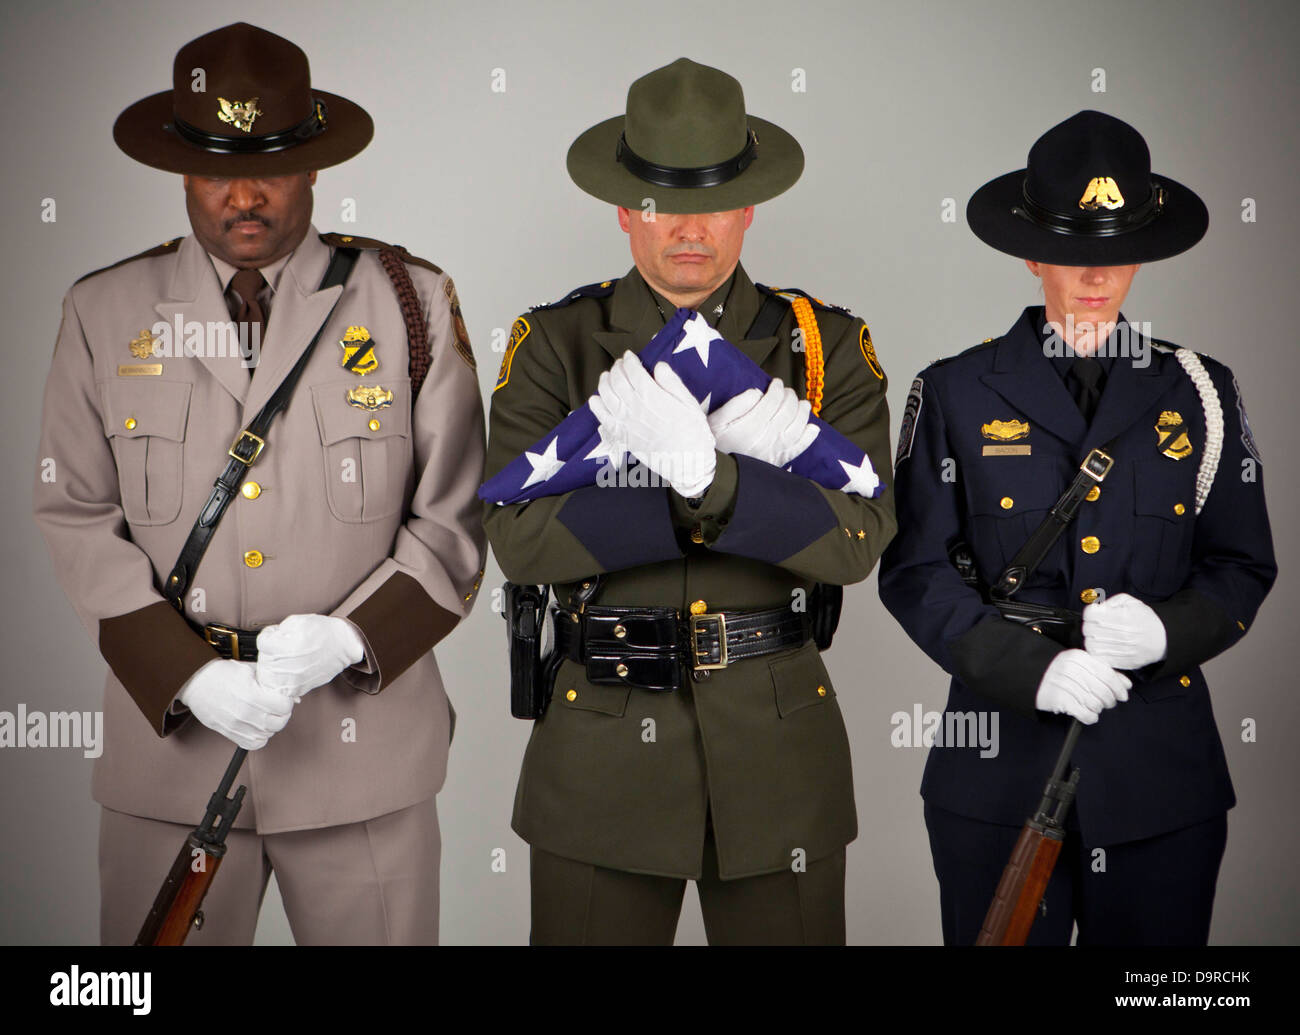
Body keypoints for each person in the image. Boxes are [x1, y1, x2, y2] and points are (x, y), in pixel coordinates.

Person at [32, 22, 486, 945]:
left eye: (270, 167)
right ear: (179, 171)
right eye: (213, 170)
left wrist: (351, 636)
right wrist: (184, 674)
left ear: (314, 166)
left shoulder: (410, 301)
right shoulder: (105, 311)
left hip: (364, 761)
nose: (243, 195)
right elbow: (74, 511)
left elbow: (456, 519)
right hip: (170, 760)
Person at [483, 58, 895, 945]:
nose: (688, 229)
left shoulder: (822, 347)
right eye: (662, 204)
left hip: (778, 743)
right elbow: (518, 537)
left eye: (713, 202)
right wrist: (679, 502)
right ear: (626, 209)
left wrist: (716, 478)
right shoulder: (556, 344)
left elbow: (859, 537)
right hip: (601, 744)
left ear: (749, 207)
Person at [878, 110, 1276, 945]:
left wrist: (1166, 630)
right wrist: (1029, 669)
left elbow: (1242, 564)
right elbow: (915, 572)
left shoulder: (1199, 390)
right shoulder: (955, 391)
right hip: (996, 768)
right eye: (1072, 254)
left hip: (1160, 772)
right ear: (1030, 252)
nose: (1095, 278)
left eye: (1116, 253)